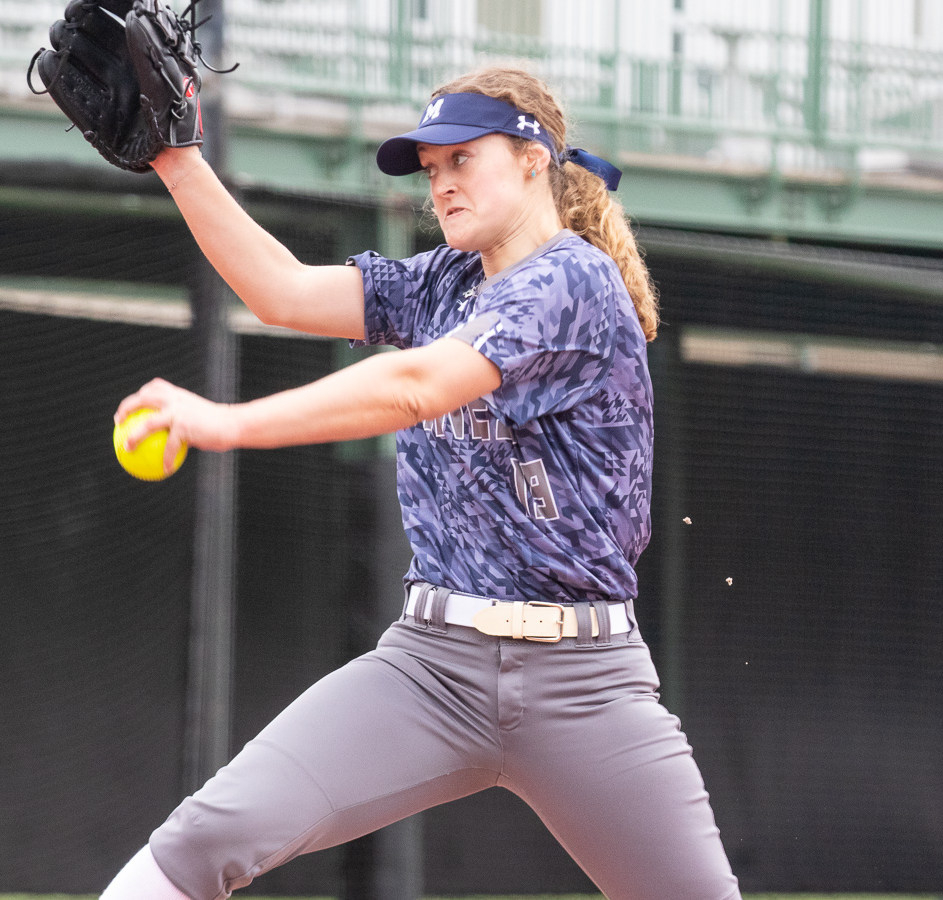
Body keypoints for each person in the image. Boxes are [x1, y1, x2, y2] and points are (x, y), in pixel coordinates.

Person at [107, 65, 742, 900]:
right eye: (430, 169)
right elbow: (284, 292)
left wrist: (225, 423)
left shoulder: (574, 282)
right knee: (205, 839)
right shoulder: (443, 281)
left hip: (585, 686)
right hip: (430, 670)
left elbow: (415, 387)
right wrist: (175, 161)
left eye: (460, 160)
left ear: (531, 157)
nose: (440, 184)